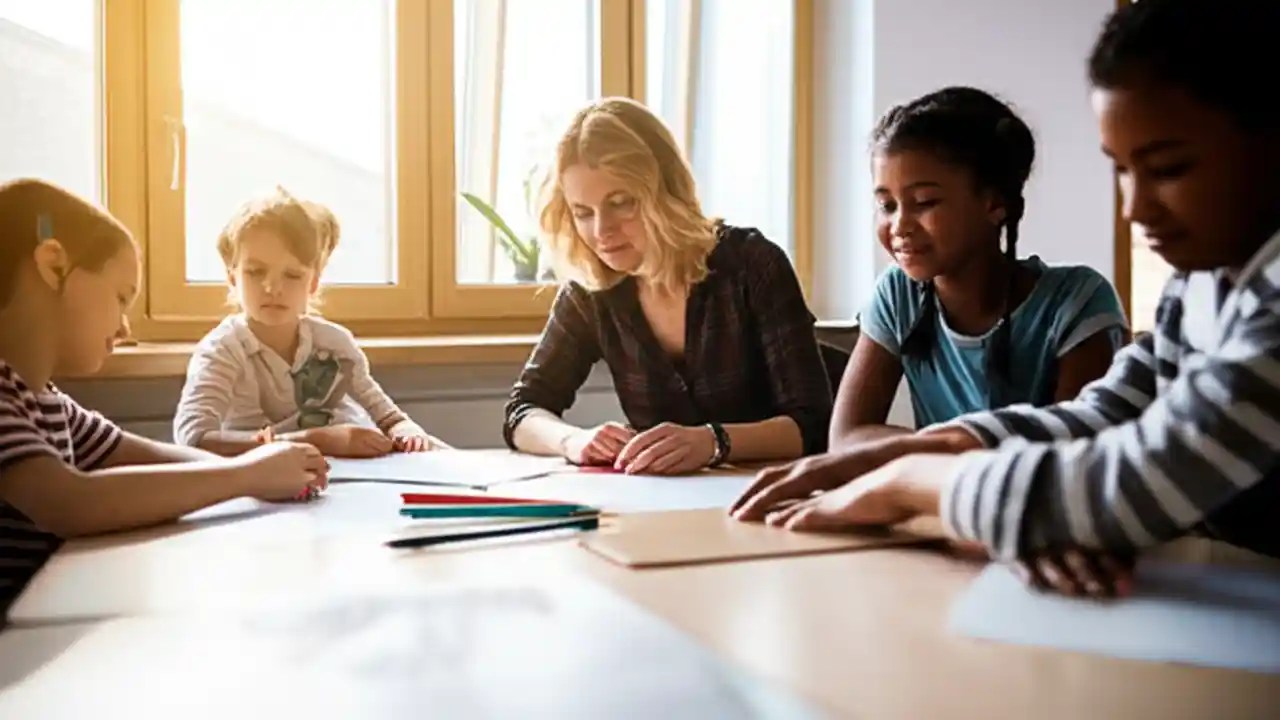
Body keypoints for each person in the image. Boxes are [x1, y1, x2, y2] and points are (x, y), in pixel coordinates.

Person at [745, 0, 1280, 597]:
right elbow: (1105, 413)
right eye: (1122, 172)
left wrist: (910, 483)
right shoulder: (1201, 284)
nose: (1134, 210)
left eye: (1170, 169)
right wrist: (940, 444)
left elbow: (1139, 475)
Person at [0, 178, 328, 613]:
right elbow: (68, 502)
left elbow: (140, 454)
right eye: (121, 298)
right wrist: (244, 476)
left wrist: (262, 469)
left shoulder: (46, 403)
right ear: (54, 266)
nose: (124, 328)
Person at [504, 97, 832, 476]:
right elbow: (523, 411)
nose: (601, 231)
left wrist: (712, 442)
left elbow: (813, 424)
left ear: (665, 192)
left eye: (620, 203)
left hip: (771, 499)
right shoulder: (590, 291)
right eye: (583, 212)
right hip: (661, 509)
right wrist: (573, 441)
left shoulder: (752, 265)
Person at [175, 187, 445, 458]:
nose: (272, 287)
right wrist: (315, 440)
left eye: (292, 275)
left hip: (358, 470)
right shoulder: (223, 350)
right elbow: (194, 440)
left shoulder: (334, 343)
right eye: (255, 272)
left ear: (313, 282)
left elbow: (388, 417)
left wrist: (405, 430)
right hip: (271, 479)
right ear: (233, 278)